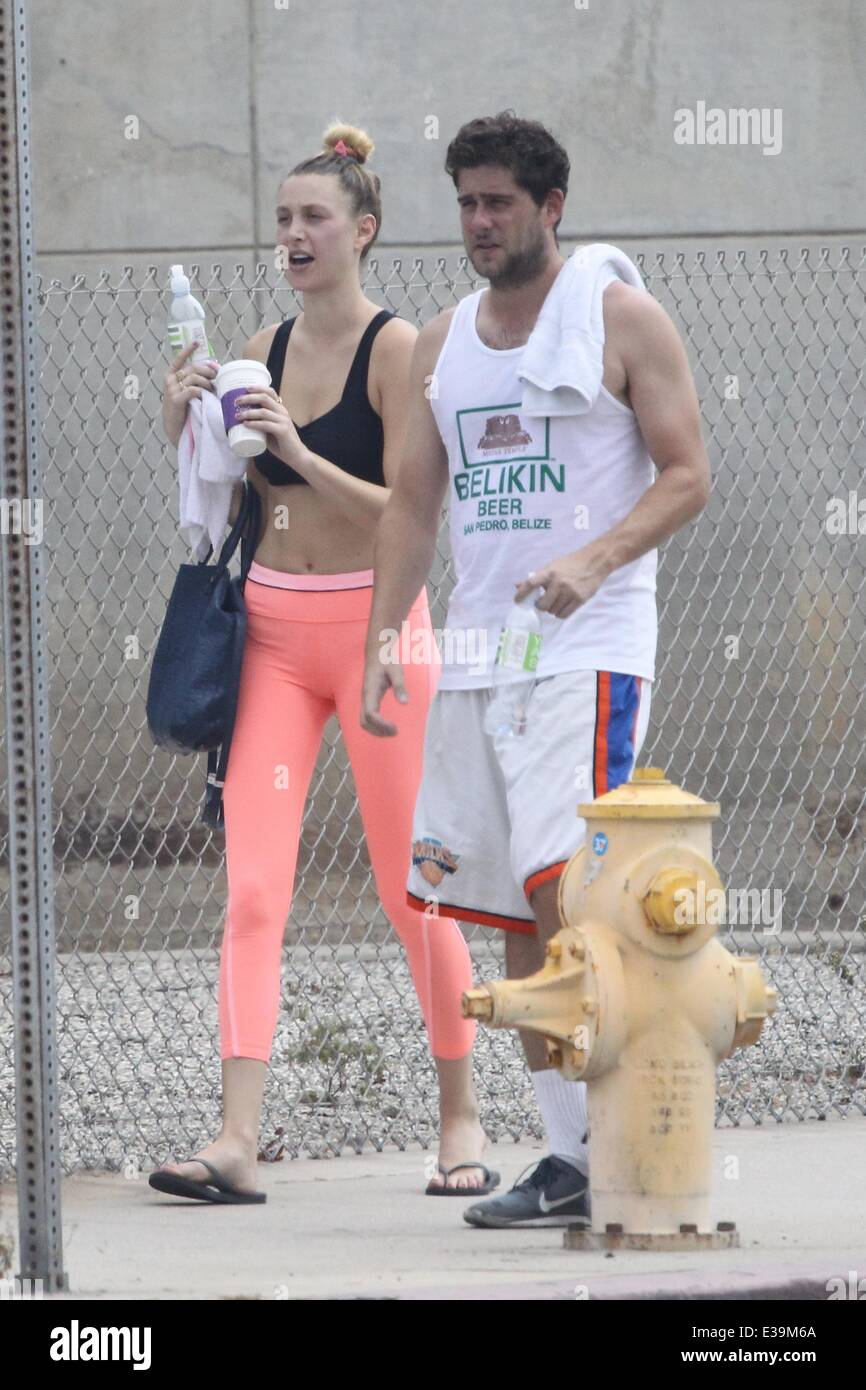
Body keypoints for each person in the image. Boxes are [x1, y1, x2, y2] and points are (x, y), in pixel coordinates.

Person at [361, 111, 711, 1228]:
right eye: (464, 200)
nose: (477, 221)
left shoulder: (620, 318)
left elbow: (687, 473)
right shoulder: (438, 341)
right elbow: (413, 502)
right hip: (480, 647)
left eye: (498, 201)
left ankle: (638, 1121)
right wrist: (383, 632)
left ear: (549, 207)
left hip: (590, 643)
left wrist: (591, 558)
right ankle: (565, 1155)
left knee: (572, 882)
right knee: (509, 901)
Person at [149, 123, 494, 1205]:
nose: (292, 235)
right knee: (254, 890)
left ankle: (461, 1121)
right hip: (274, 635)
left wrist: (297, 450)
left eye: (313, 218)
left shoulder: (398, 349)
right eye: (284, 218)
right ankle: (236, 1138)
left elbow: (411, 511)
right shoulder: (265, 339)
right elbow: (249, 499)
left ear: (363, 230)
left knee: (417, 891)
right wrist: (188, 423)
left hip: (379, 632)